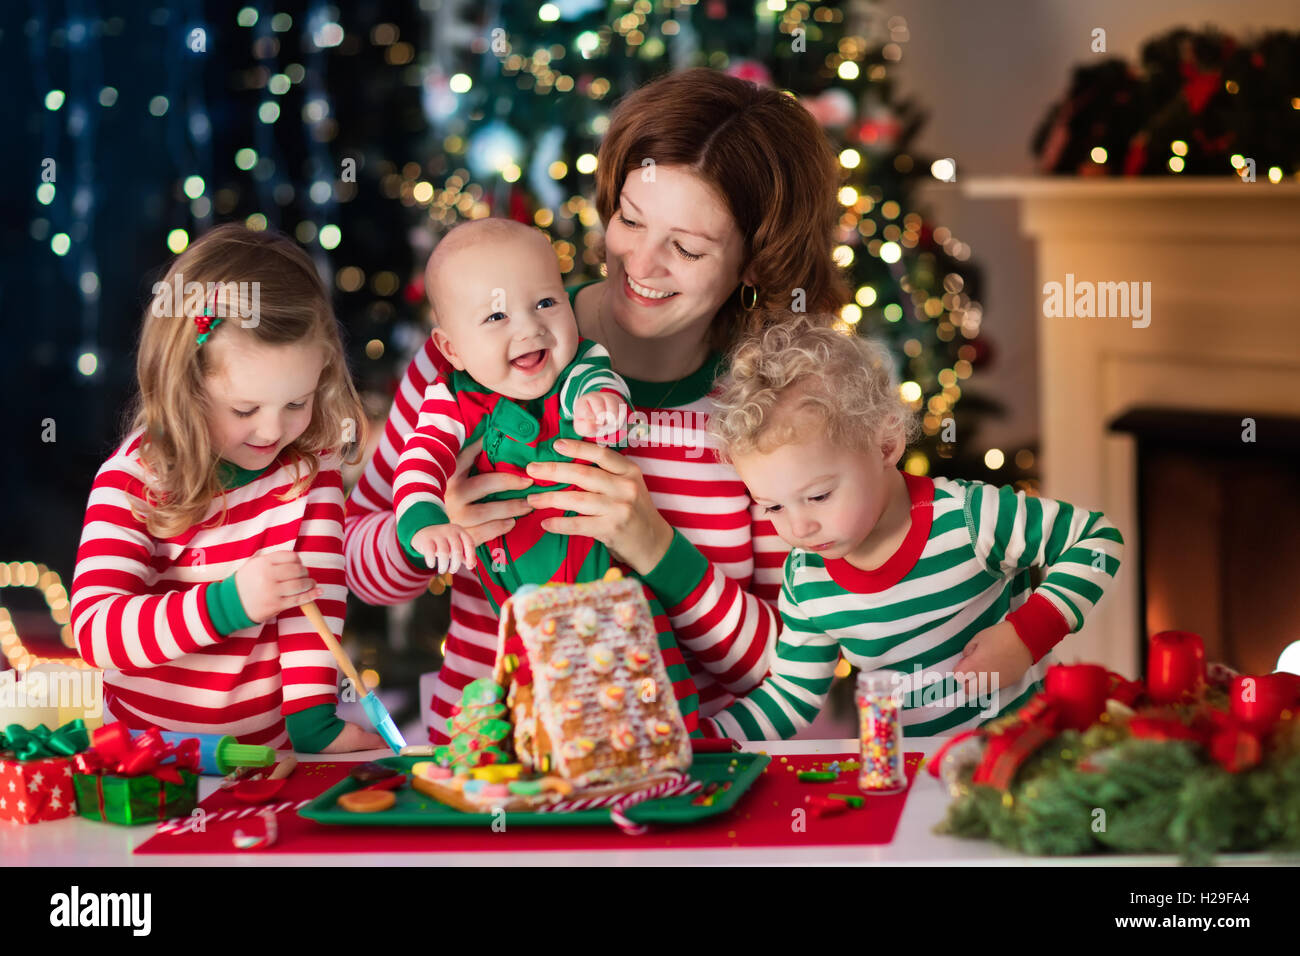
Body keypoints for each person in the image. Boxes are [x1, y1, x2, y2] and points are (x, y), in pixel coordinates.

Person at [345, 67, 849, 742]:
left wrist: (653, 543)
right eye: (630, 220)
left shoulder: (777, 406)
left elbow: (786, 669)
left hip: (680, 778)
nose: (641, 264)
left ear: (755, 262)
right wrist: (434, 532)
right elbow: (356, 561)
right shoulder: (480, 348)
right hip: (489, 770)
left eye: (688, 248)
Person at [700, 316, 1125, 739]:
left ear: (886, 446)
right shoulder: (805, 580)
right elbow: (790, 695)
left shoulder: (969, 517)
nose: (799, 527)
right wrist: (705, 741)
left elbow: (1097, 541)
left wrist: (1026, 635)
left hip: (1026, 756)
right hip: (921, 783)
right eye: (773, 506)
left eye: (819, 496)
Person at [70, 224, 383, 752]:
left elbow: (316, 605)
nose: (272, 431)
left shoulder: (311, 473)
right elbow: (97, 632)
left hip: (267, 755)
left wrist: (314, 725)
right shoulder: (134, 480)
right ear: (186, 386)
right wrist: (229, 604)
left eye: (296, 402)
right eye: (244, 409)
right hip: (151, 756)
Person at [394, 218, 632, 608]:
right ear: (452, 349)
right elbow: (420, 460)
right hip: (515, 600)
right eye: (496, 316)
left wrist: (603, 405)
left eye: (546, 303)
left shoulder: (577, 367)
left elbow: (597, 385)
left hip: (606, 592)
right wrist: (425, 523)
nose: (529, 328)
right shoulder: (453, 397)